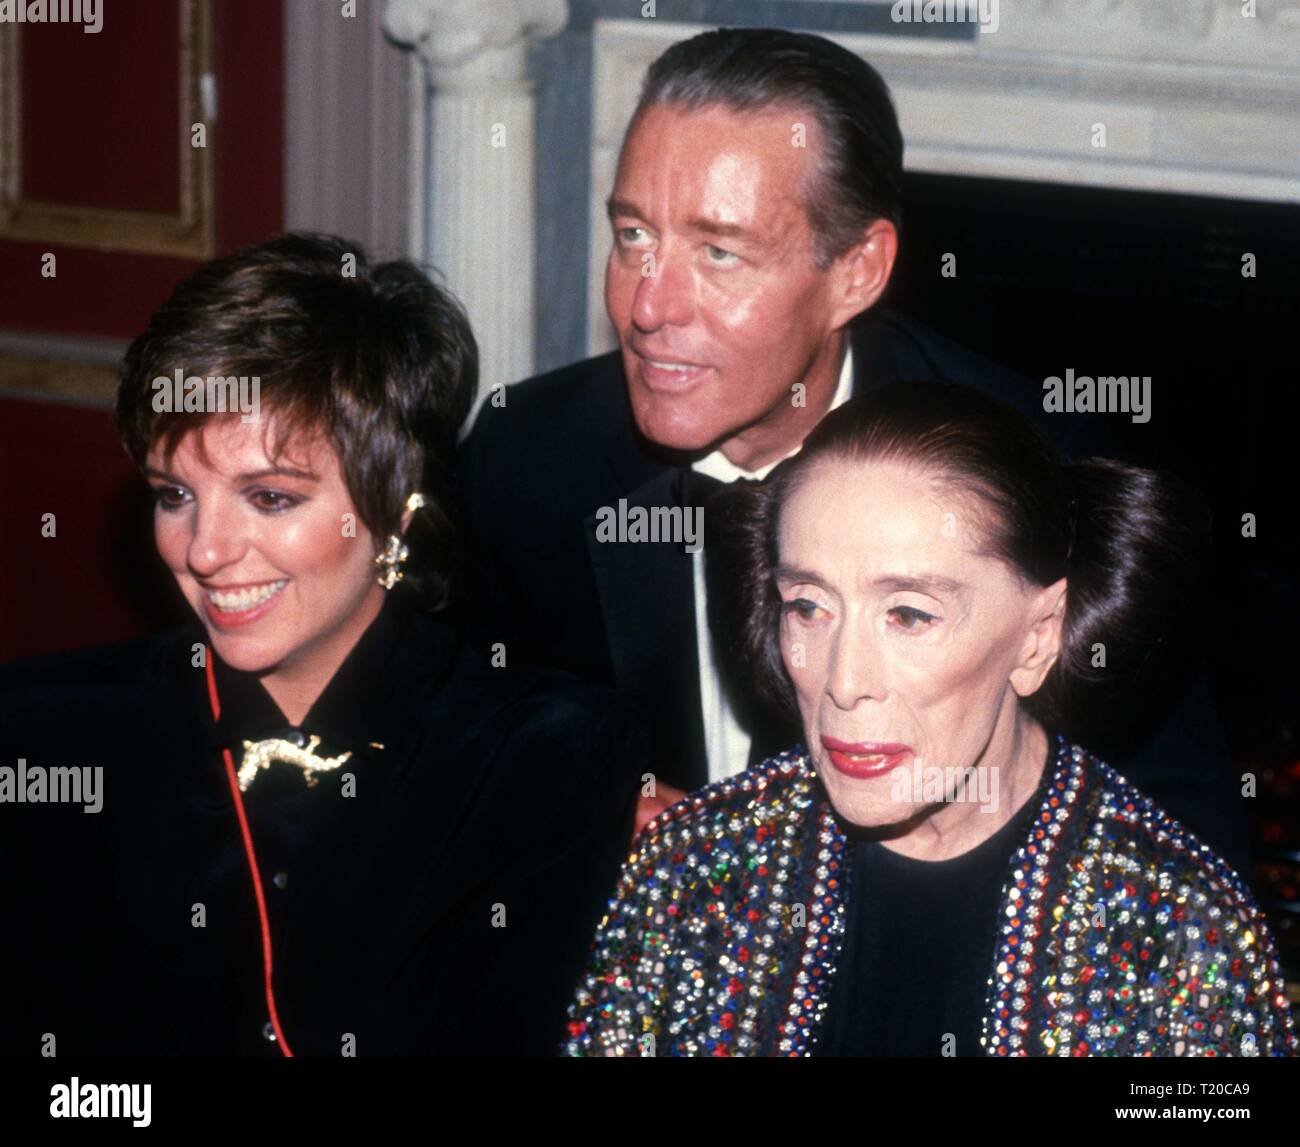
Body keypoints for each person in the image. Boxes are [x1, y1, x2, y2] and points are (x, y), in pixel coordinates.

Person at [454, 26, 1248, 870]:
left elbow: (1186, 843)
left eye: (720, 252)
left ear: (858, 271)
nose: (648, 305)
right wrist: (589, 809)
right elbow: (458, 745)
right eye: (634, 236)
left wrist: (808, 866)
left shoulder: (1038, 472)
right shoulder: (530, 455)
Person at [0, 233, 644, 1057]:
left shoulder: (544, 755)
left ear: (399, 511)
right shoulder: (42, 738)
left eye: (269, 498)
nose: (203, 549)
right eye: (174, 495)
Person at [564, 382, 1294, 1057]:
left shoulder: (1177, 932)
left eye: (909, 614)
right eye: (808, 606)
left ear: (1039, 635)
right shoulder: (693, 871)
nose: (844, 683)